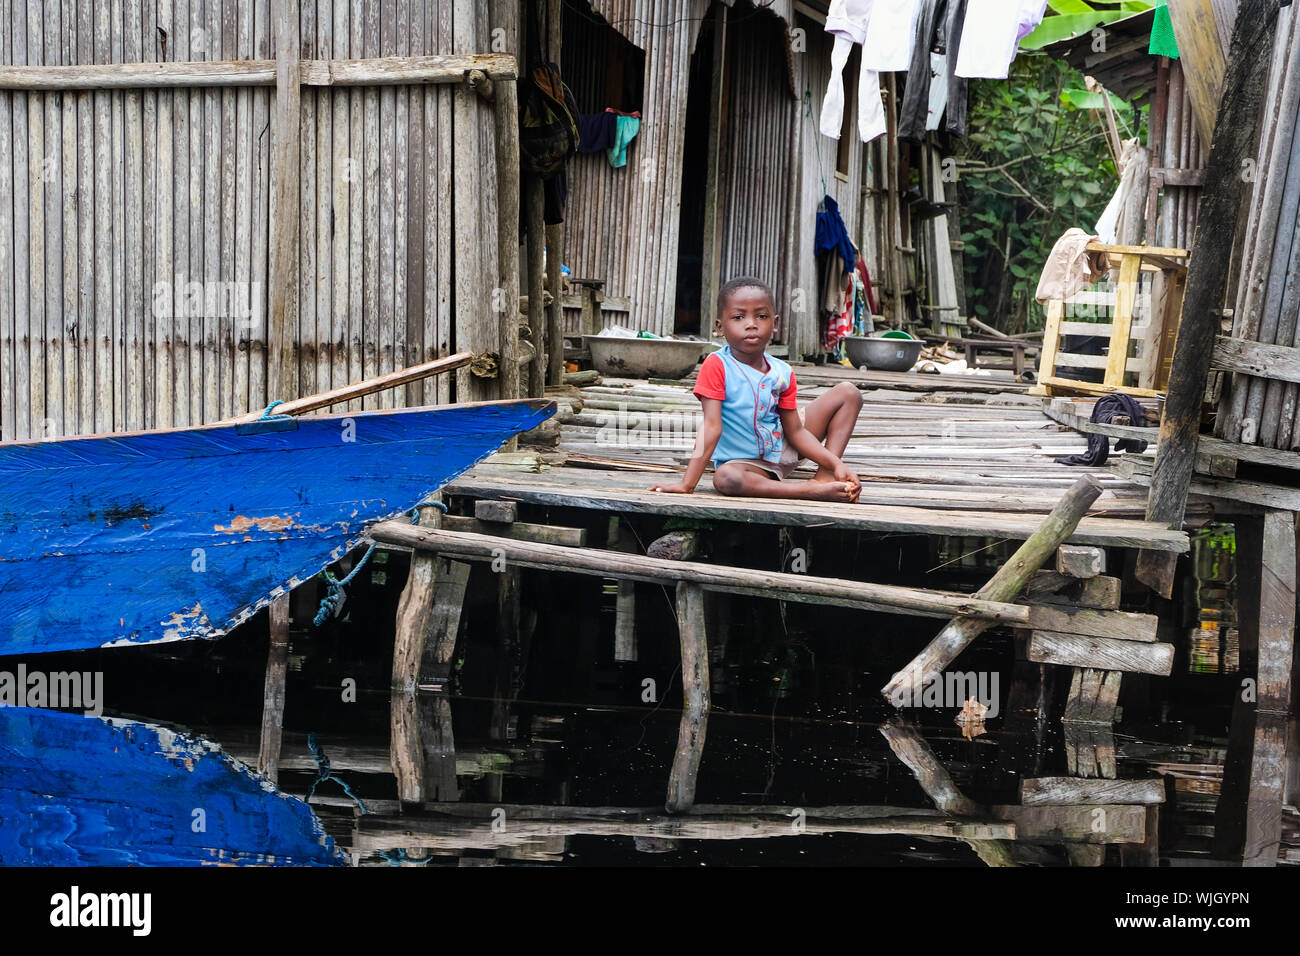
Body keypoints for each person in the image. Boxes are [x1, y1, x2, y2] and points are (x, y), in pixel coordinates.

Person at [650, 275, 863, 503]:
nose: (751, 324)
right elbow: (711, 427)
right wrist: (687, 484)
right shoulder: (717, 365)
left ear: (775, 323)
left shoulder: (782, 371)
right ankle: (808, 490)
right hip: (748, 465)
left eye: (761, 316)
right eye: (739, 317)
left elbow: (796, 432)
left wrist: (835, 463)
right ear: (720, 327)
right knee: (726, 479)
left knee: (848, 392)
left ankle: (826, 479)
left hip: (783, 446)